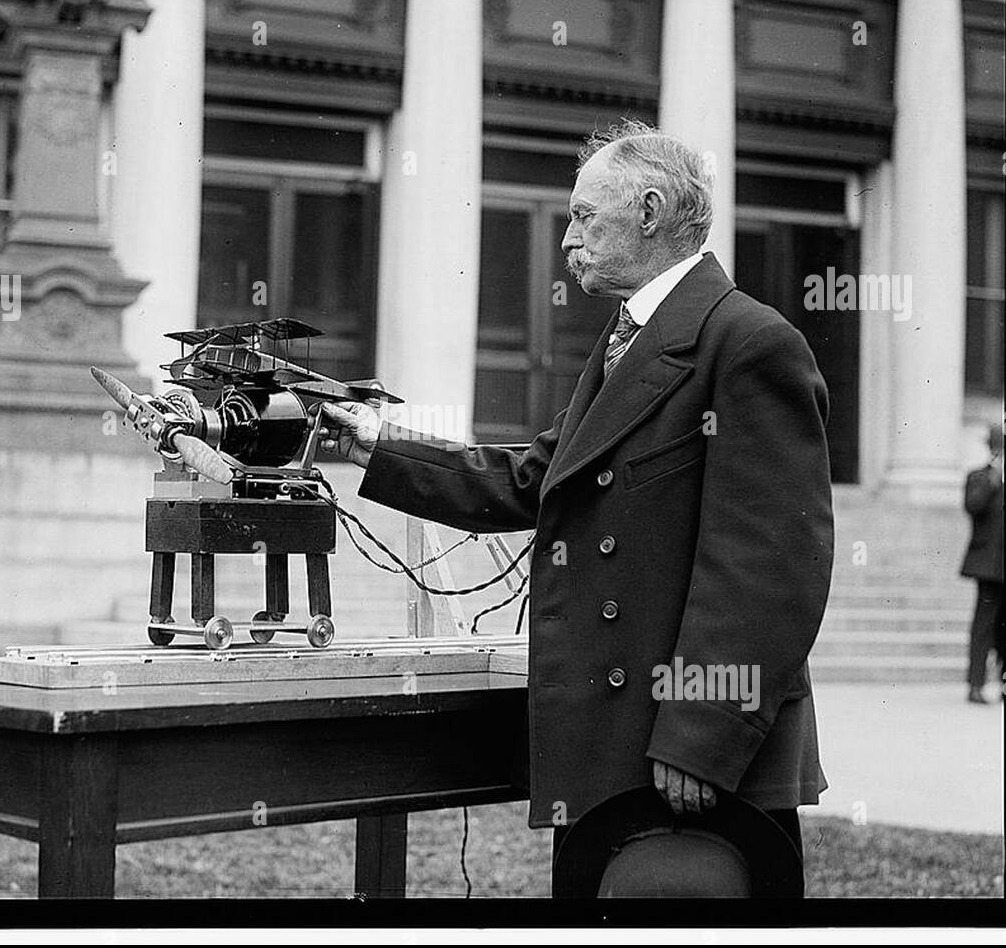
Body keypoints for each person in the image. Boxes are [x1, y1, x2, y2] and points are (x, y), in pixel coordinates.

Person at [315, 120, 835, 897]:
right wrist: (376, 444)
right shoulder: (631, 336)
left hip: (694, 757)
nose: (567, 241)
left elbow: (769, 572)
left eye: (584, 216)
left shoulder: (750, 342)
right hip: (615, 746)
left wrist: (701, 736)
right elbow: (531, 477)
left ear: (650, 211)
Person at [961, 422, 1005, 705]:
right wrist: (994, 478)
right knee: (983, 627)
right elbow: (973, 506)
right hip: (988, 568)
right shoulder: (979, 477)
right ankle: (976, 685)